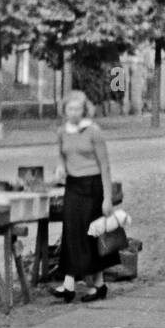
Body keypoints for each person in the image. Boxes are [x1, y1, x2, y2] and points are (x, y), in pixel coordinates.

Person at [51, 91, 119, 303]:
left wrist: (108, 198)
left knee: (90, 234)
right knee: (71, 231)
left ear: (84, 110)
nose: (73, 113)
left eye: (77, 109)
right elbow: (61, 154)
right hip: (73, 185)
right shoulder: (62, 132)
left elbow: (105, 165)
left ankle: (98, 285)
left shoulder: (93, 132)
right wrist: (61, 168)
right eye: (70, 109)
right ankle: (71, 284)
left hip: (92, 186)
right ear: (65, 110)